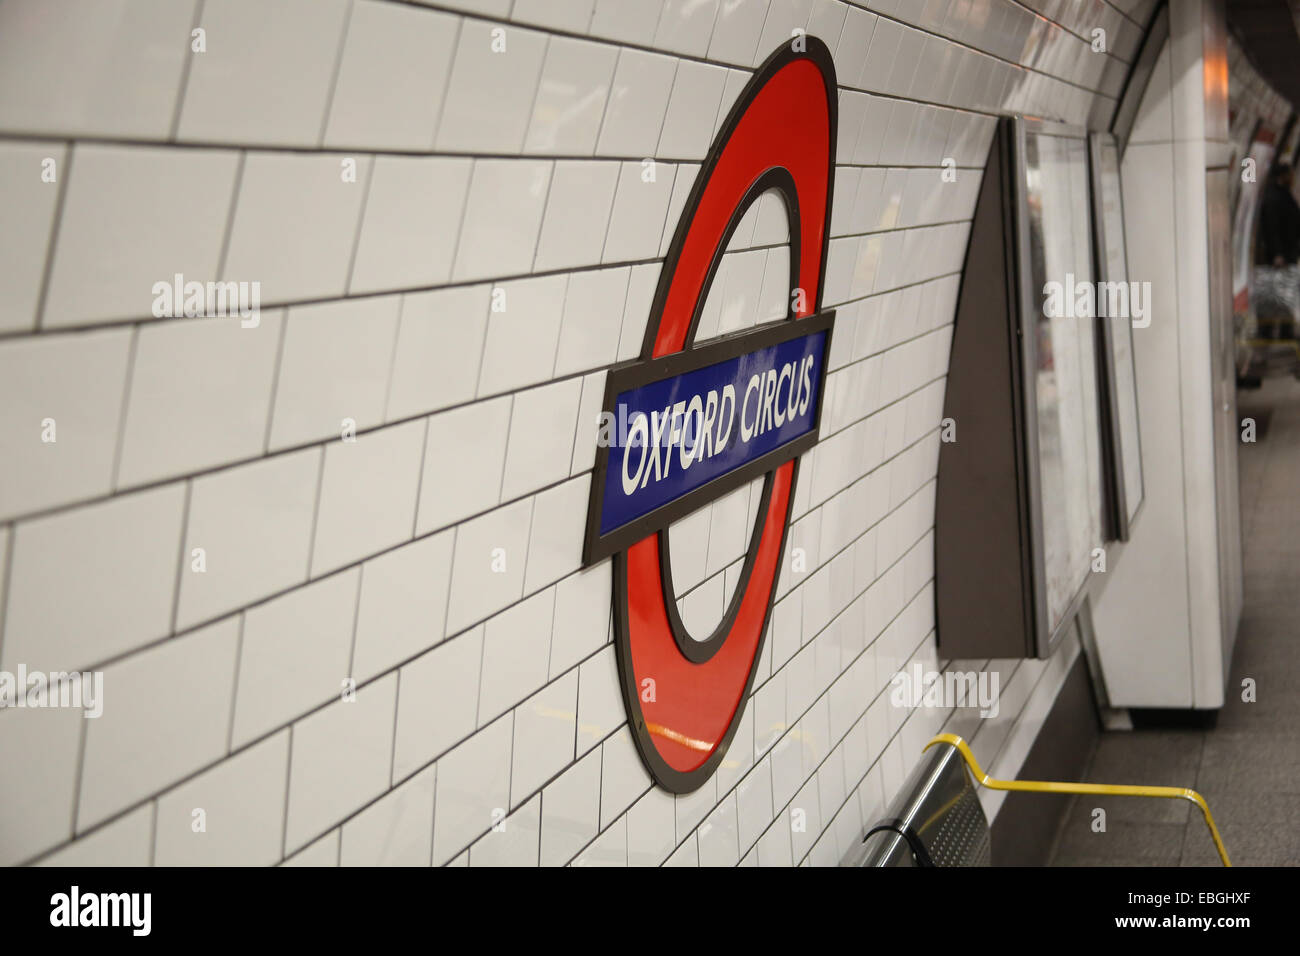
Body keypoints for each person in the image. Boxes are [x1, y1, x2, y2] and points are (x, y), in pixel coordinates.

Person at [1256, 162, 1300, 267]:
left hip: (1289, 248)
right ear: (1283, 175)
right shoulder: (1273, 197)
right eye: (1290, 174)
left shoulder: (1284, 193)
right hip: (1281, 252)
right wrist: (1277, 253)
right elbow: (1271, 227)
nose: (1292, 178)